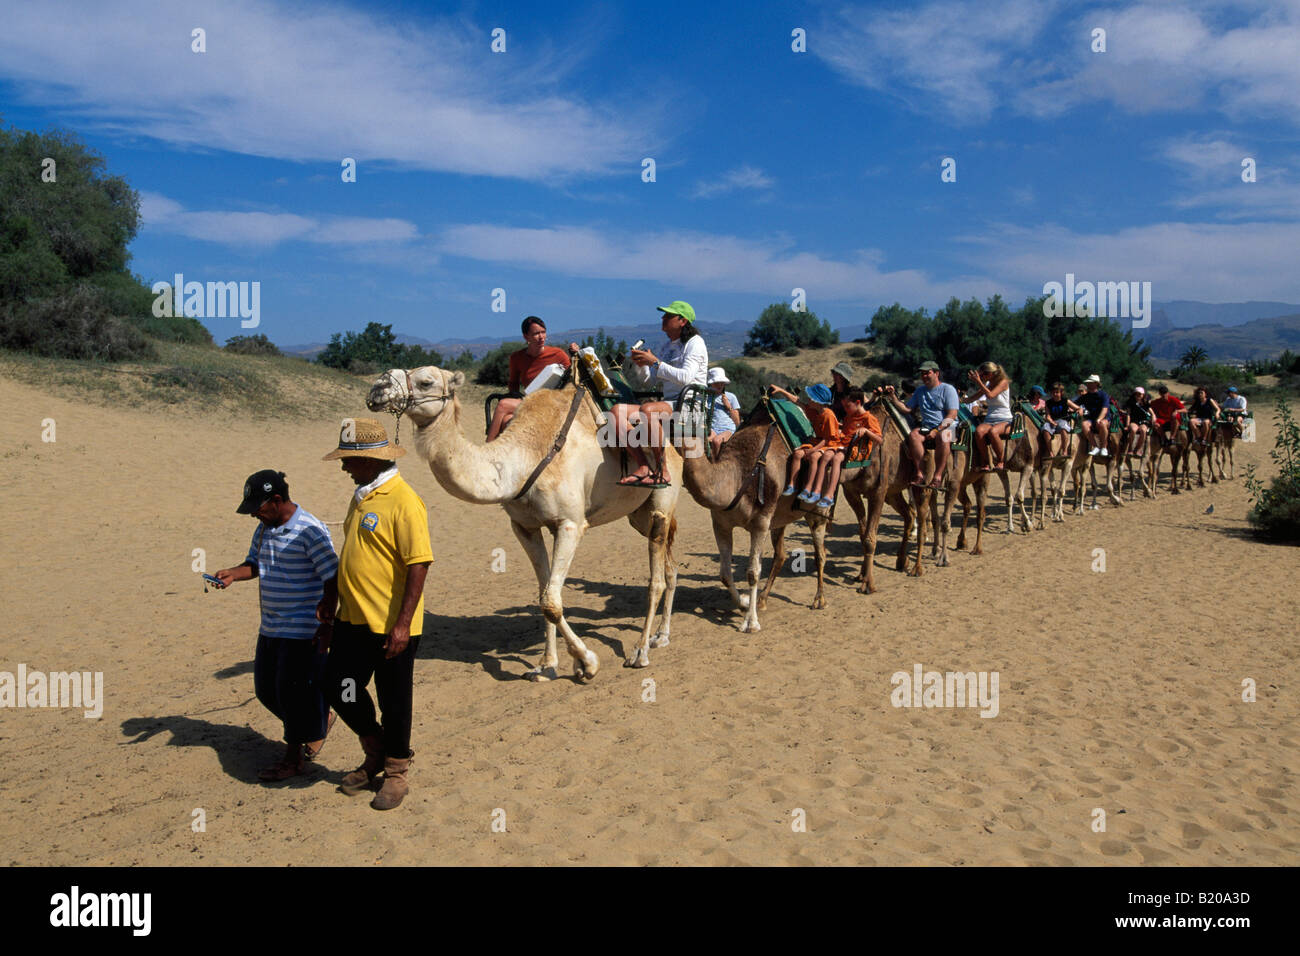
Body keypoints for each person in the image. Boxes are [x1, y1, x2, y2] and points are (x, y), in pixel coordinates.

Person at [320, 418, 432, 811]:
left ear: (370, 459)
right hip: (352, 620)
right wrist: (331, 604)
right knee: (340, 686)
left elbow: (419, 564)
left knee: (394, 699)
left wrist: (402, 625)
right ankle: (376, 747)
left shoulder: (404, 501)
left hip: (390, 625)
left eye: (349, 460)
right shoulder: (362, 497)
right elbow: (351, 552)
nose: (343, 466)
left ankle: (396, 772)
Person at [213, 470, 339, 782]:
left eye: (259, 506)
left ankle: (293, 758)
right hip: (269, 626)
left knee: (290, 695)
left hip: (301, 629)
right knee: (266, 690)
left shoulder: (310, 531)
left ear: (277, 500)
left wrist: (327, 623)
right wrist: (232, 573)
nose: (255, 513)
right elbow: (254, 565)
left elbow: (333, 577)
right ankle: (317, 719)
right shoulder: (264, 529)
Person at [611, 300, 709, 487]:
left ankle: (662, 470)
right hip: (670, 404)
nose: (663, 318)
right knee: (617, 412)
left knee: (648, 410)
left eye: (668, 315)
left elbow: (686, 378)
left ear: (682, 321)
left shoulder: (695, 343)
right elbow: (649, 382)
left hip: (690, 404)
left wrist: (655, 362)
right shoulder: (667, 347)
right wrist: (643, 366)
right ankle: (643, 465)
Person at [487, 316, 572, 441]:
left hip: (551, 403)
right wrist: (515, 395)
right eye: (536, 333)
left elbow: (573, 375)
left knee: (503, 405)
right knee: (506, 421)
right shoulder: (517, 358)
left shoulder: (557, 354)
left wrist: (575, 354)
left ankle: (488, 448)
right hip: (529, 401)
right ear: (526, 337)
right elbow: (513, 384)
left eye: (543, 332)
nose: (541, 337)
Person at [882, 360, 960, 489]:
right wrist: (893, 398)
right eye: (922, 374)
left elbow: (952, 415)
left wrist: (937, 430)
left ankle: (938, 476)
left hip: (947, 425)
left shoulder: (948, 389)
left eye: (927, 373)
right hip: (927, 426)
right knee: (913, 435)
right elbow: (907, 409)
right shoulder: (920, 391)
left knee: (943, 437)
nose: (924, 376)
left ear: (936, 373)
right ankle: (920, 472)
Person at [772, 383, 839, 504]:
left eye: (811, 397)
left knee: (813, 457)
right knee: (797, 454)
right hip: (817, 441)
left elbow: (828, 439)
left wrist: (813, 450)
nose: (808, 399)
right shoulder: (814, 411)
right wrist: (781, 390)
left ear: (817, 401)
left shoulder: (828, 415)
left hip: (828, 444)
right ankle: (792, 485)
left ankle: (809, 489)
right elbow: (797, 401)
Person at [820, 389, 882, 504]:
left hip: (857, 450)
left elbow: (879, 440)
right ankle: (817, 490)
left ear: (858, 402)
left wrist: (866, 431)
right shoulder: (849, 416)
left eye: (847, 406)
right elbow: (847, 432)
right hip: (844, 447)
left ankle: (830, 494)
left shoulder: (868, 418)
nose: (845, 409)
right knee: (825, 454)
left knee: (837, 458)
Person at [965, 361, 1013, 472]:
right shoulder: (987, 384)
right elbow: (973, 398)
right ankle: (986, 461)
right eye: (981, 375)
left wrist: (978, 382)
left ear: (992, 373)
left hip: (1004, 418)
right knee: (979, 431)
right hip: (990, 418)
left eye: (984, 375)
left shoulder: (1003, 382)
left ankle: (1001, 461)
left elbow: (990, 395)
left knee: (993, 432)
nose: (982, 377)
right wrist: (960, 400)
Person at [1037, 382, 1079, 460]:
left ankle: (1064, 450)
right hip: (1052, 421)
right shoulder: (1048, 402)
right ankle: (1050, 452)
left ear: (1061, 393)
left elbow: (1077, 408)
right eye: (1053, 393)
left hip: (1063, 420)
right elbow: (1048, 415)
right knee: (1045, 428)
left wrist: (1078, 411)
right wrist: (1051, 421)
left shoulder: (1065, 401)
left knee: (1063, 427)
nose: (1055, 394)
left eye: (1057, 392)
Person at [706, 367, 741, 458]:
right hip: (712, 428)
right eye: (717, 382)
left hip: (727, 429)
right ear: (711, 383)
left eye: (722, 383)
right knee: (703, 441)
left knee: (716, 441)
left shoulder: (731, 397)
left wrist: (729, 407)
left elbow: (737, 422)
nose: (720, 385)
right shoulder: (705, 397)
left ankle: (715, 465)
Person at [1078, 374, 1112, 457]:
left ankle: (1104, 447)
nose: (1088, 384)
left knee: (1102, 424)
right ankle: (1095, 446)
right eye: (1088, 383)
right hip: (1091, 419)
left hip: (1104, 419)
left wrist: (1099, 419)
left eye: (1090, 383)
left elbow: (1105, 409)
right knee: (1084, 424)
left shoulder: (1103, 395)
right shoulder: (1085, 396)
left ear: (1096, 384)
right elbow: (1075, 403)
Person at [1121, 386, 1153, 458]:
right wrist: (1127, 425)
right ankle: (1130, 448)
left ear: (1143, 395)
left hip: (1143, 421)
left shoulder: (1146, 403)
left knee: (1143, 430)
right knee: (1133, 429)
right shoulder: (1131, 403)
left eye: (1140, 394)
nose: (1138, 396)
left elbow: (1152, 413)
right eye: (1137, 394)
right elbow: (1128, 414)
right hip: (1134, 421)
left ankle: (1138, 448)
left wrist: (1153, 420)